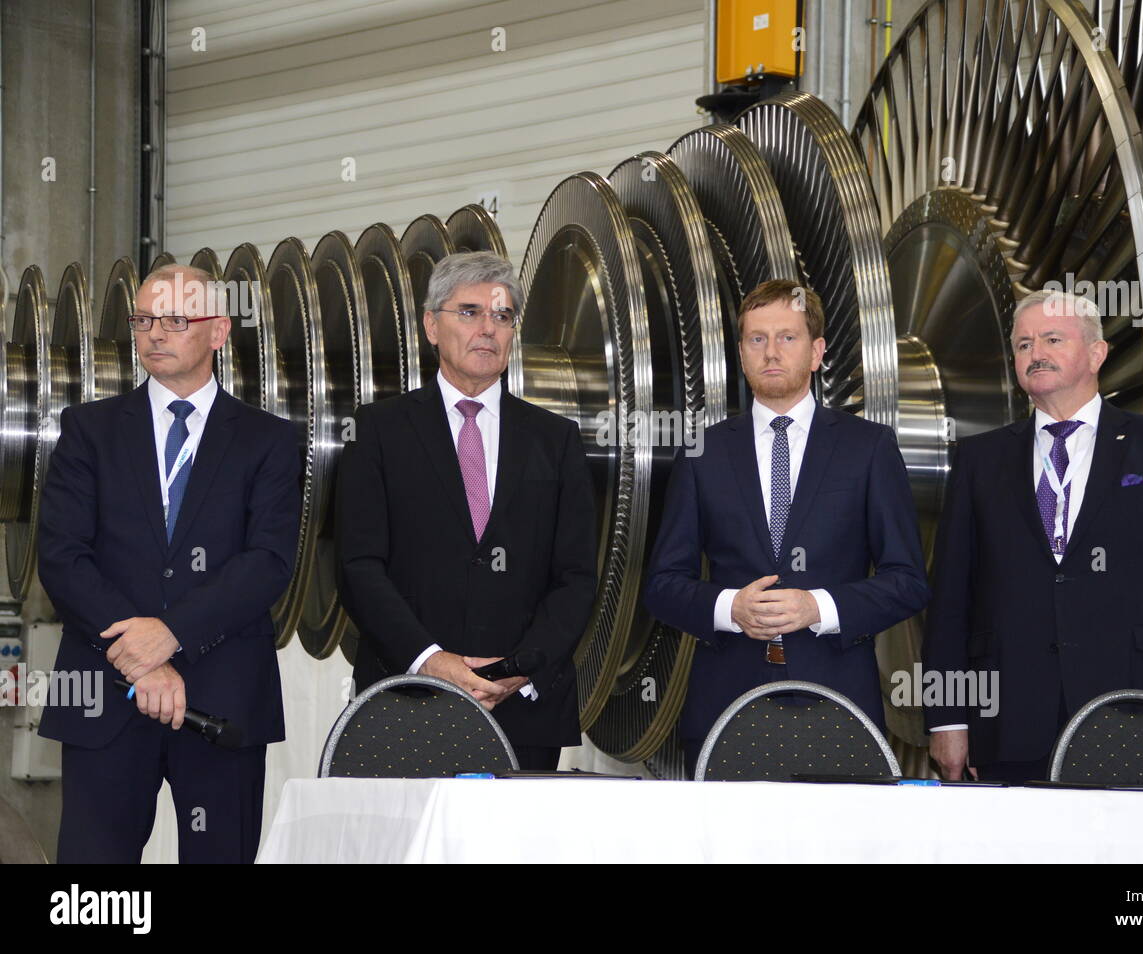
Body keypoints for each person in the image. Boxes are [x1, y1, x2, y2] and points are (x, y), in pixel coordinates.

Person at [37, 264, 301, 862]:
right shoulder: (88, 430)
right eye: (144, 319)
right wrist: (141, 659)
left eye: (176, 320)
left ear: (219, 332)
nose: (156, 333)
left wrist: (172, 635)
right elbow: (62, 555)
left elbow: (267, 562)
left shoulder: (269, 441)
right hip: (105, 693)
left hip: (223, 695)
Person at [924, 289, 1143, 784]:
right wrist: (947, 716)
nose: (1035, 353)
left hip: (1139, 715)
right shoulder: (979, 460)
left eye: (1052, 339)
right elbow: (950, 602)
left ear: (1097, 354)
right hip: (1007, 723)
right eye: (1023, 345)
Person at [644, 279, 930, 774]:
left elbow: (907, 581)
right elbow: (663, 585)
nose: (771, 352)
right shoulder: (701, 453)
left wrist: (816, 606)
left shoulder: (869, 449)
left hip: (840, 709)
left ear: (817, 351)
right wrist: (729, 607)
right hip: (724, 708)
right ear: (741, 353)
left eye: (788, 337)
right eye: (757, 339)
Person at [335, 251, 597, 771]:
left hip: (523, 706)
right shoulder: (379, 431)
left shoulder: (556, 439)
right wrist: (431, 660)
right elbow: (358, 566)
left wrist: (520, 668)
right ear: (432, 325)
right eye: (470, 312)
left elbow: (576, 577)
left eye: (502, 317)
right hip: (405, 697)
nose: (488, 330)